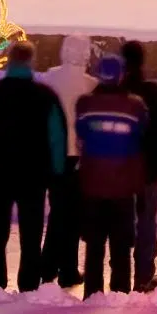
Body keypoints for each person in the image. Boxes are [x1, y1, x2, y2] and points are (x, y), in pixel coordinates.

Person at [0, 38, 66, 291]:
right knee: (31, 234)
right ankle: (28, 282)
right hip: (33, 175)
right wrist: (56, 172)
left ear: (9, 60)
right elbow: (56, 137)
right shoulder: (45, 97)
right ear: (31, 61)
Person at [73, 54, 150, 296]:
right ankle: (119, 294)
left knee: (94, 247)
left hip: (92, 185)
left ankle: (92, 294)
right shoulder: (136, 107)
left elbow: (81, 135)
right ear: (122, 75)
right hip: (123, 188)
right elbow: (142, 140)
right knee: (121, 249)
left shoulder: (85, 105)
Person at [38, 34, 97, 288]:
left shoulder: (49, 78)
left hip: (53, 154)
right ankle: (66, 268)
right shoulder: (91, 84)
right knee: (72, 214)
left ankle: (50, 264)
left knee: (58, 210)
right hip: (80, 156)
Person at [116, 40, 157, 291]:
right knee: (146, 221)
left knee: (123, 220)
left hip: (121, 168)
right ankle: (144, 274)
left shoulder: (115, 91)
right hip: (149, 168)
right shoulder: (153, 93)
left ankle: (121, 273)